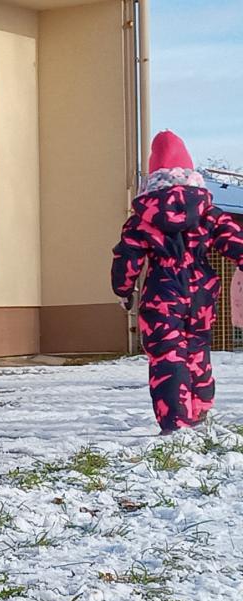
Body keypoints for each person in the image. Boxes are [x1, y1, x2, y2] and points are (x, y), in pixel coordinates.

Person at [113, 131, 243, 434]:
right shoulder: (208, 212)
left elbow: (127, 258)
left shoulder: (143, 216)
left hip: (162, 291)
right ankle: (199, 410)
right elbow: (235, 241)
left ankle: (174, 421)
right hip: (201, 291)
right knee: (197, 347)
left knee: (166, 352)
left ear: (154, 172)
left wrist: (123, 289)